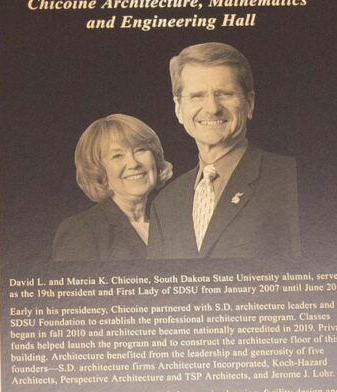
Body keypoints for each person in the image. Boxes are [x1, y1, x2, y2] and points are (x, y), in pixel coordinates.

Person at [147, 41, 299, 259]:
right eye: (197, 96)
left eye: (225, 94)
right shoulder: (165, 204)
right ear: (178, 109)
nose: (212, 108)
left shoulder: (290, 179)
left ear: (249, 103)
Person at [49, 113, 175, 261]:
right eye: (117, 156)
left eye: (140, 150)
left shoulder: (168, 227)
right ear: (99, 171)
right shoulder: (82, 230)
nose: (134, 163)